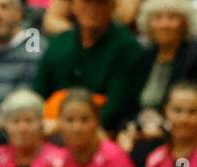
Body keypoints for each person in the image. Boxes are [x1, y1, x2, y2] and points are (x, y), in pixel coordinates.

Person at [35, 0, 146, 133]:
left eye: (100, 3)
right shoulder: (59, 43)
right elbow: (39, 93)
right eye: (86, 3)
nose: (92, 9)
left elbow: (117, 105)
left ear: (112, 7)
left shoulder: (127, 46)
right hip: (52, 127)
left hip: (104, 130)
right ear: (74, 6)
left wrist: (71, 126)